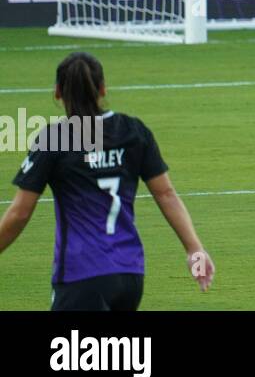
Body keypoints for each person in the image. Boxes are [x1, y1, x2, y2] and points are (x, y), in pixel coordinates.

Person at [0, 52, 214, 310]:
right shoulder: (133, 130)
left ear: (57, 92)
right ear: (102, 89)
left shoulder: (55, 139)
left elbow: (20, 212)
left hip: (82, 275)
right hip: (130, 276)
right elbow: (166, 193)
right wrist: (195, 250)